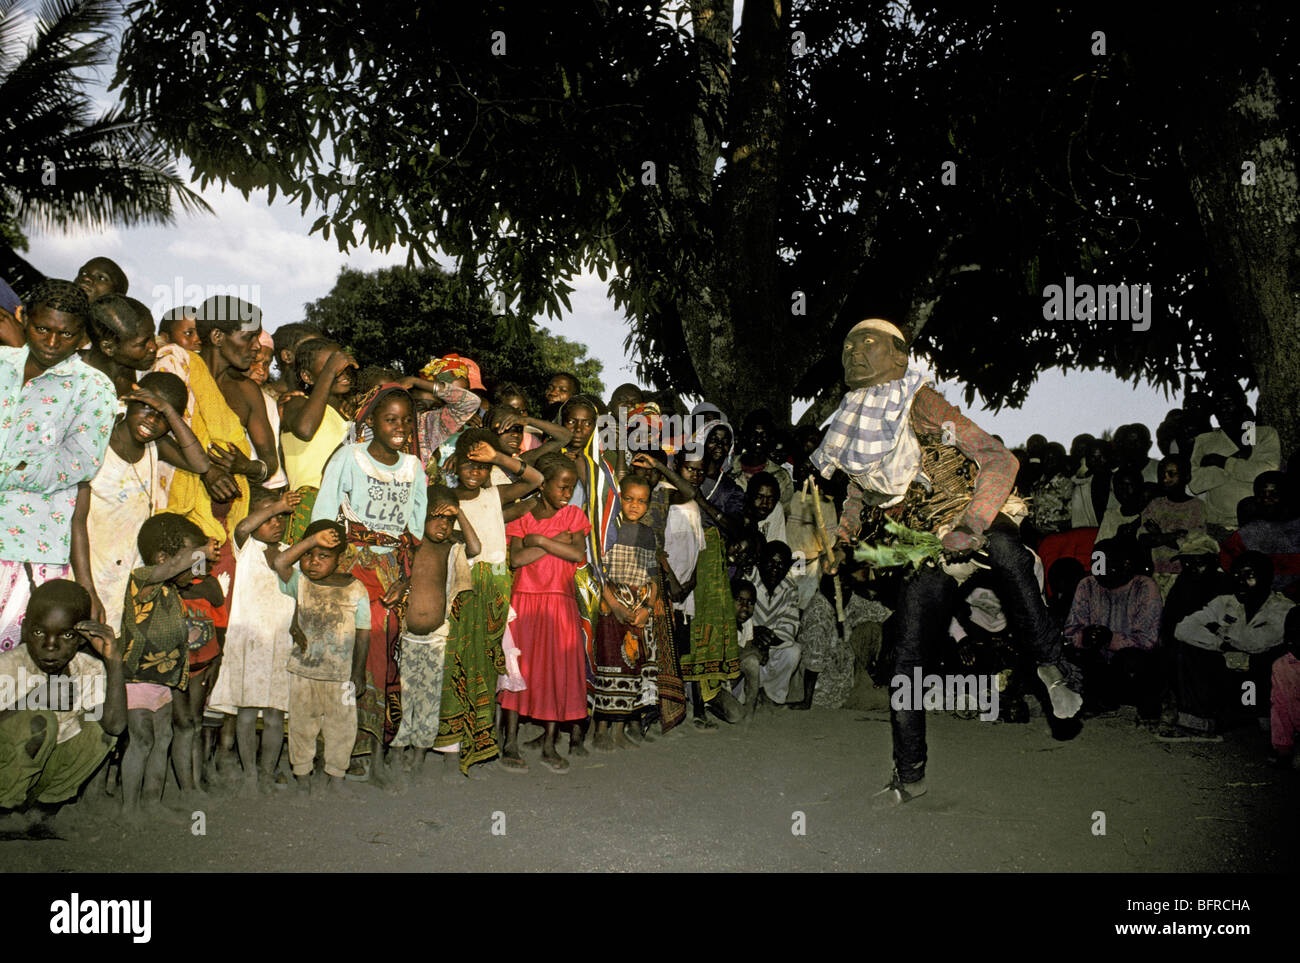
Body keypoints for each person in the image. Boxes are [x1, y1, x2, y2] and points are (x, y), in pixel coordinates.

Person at [812, 317, 1082, 806]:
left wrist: (973, 521)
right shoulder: (853, 424)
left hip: (972, 513)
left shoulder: (923, 403)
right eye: (848, 344)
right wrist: (844, 532)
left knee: (1004, 551)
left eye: (867, 342)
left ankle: (1050, 666)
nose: (853, 351)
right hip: (925, 543)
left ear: (898, 356)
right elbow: (860, 493)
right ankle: (909, 774)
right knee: (906, 658)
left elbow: (1000, 460)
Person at [311, 384, 427, 783]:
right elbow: (324, 515)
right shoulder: (350, 457)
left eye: (406, 420)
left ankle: (378, 747)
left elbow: (418, 532)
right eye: (390, 419)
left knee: (388, 657)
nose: (399, 427)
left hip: (392, 573)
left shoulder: (414, 468)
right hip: (352, 567)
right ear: (371, 421)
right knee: (347, 653)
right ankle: (342, 748)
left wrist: (408, 580)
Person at [0, 280, 116, 653]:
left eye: (66, 334)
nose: (52, 342)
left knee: (13, 667)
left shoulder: (93, 389)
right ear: (24, 319)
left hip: (31, 547)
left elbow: (71, 467)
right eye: (42, 329)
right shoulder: (2, 365)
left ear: (83, 337)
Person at [437, 428, 542, 776]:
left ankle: (480, 739)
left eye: (481, 466)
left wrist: (496, 457)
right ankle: (450, 744)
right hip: (462, 583)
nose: (475, 472)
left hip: (495, 584)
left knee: (485, 662)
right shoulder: (445, 496)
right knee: (456, 659)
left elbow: (536, 479)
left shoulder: (495, 494)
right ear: (455, 465)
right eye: (468, 464)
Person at [71, 373, 209, 630]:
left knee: (116, 642)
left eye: (163, 416)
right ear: (130, 400)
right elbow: (76, 521)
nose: (152, 420)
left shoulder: (156, 446)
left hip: (129, 568)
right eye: (147, 407)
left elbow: (200, 463)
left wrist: (169, 411)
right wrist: (86, 585)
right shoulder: (99, 443)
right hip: (89, 565)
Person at [0, 581, 122, 826]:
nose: (50, 645)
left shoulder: (88, 669)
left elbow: (116, 727)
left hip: (41, 779)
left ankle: (42, 812)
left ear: (82, 639)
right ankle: (4, 813)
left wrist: (114, 661)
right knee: (39, 720)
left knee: (100, 729)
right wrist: (33, 700)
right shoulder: (9, 666)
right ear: (24, 630)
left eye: (66, 635)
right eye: (39, 633)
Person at [500, 453, 591, 773]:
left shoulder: (574, 515)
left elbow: (578, 553)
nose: (567, 493)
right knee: (518, 671)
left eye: (571, 487)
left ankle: (550, 744)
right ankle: (509, 742)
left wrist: (538, 541)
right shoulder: (522, 516)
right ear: (543, 485)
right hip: (525, 601)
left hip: (560, 603)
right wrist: (551, 542)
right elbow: (516, 561)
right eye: (561, 486)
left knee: (556, 671)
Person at [207, 487, 302, 794]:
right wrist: (278, 504)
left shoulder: (292, 552)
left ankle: (266, 771)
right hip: (248, 643)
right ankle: (249, 773)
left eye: (280, 517)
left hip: (279, 644)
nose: (275, 522)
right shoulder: (245, 548)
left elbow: (298, 595)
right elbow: (242, 527)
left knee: (275, 715)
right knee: (246, 713)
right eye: (268, 516)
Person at [119, 513, 209, 816]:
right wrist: (203, 551)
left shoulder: (173, 593)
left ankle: (151, 803)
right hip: (137, 679)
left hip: (164, 682)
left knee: (163, 740)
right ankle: (129, 809)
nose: (196, 567)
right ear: (162, 558)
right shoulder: (142, 581)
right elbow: (168, 570)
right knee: (141, 740)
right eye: (190, 557)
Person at [272, 520, 371, 796]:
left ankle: (336, 776)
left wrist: (358, 672)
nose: (313, 562)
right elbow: (280, 562)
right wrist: (313, 539)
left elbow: (363, 633)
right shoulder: (299, 583)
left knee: (342, 727)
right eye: (307, 555)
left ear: (340, 559)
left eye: (323, 556)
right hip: (304, 671)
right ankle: (303, 776)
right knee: (302, 727)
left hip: (341, 676)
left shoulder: (356, 589)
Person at [1162, 551, 1297, 742]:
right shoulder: (1225, 602)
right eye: (1235, 576)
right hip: (1230, 669)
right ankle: (1200, 723)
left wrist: (1219, 630)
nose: (1240, 582)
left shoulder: (1284, 609)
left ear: (1267, 578)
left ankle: (1257, 720)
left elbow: (1256, 643)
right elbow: (1183, 628)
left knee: (1264, 661)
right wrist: (1222, 646)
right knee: (1184, 651)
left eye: (1248, 576)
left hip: (1259, 680)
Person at [391, 485, 478, 778]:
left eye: (448, 520)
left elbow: (476, 548)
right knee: (403, 696)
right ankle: (397, 748)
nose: (443, 525)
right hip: (404, 637)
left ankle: (419, 752)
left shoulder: (450, 549)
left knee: (428, 698)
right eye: (435, 517)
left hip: (436, 637)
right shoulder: (411, 547)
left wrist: (460, 513)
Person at [590, 473, 660, 750]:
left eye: (641, 501)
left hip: (638, 609)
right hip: (611, 607)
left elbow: (654, 577)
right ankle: (600, 729)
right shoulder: (607, 529)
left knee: (632, 668)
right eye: (628, 499)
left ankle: (619, 730)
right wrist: (614, 604)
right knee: (607, 666)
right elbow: (597, 572)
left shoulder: (648, 534)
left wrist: (648, 608)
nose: (634, 505)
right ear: (618, 499)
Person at [1064, 538, 1163, 722]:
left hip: (1132, 658)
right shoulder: (1087, 584)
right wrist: (1084, 637)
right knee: (1075, 654)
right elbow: (1071, 630)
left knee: (1132, 660)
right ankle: (1098, 701)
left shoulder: (1144, 586)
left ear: (1125, 564)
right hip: (1098, 657)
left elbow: (1148, 639)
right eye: (1096, 564)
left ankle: (1144, 704)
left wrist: (1110, 638)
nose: (1098, 571)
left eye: (1105, 565)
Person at [280, 338, 358, 540]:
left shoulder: (348, 415)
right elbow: (305, 429)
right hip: (309, 507)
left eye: (343, 367)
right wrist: (329, 372)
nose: (342, 373)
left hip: (344, 510)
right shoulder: (295, 403)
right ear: (307, 376)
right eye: (331, 367)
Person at [1189, 391, 1281, 539]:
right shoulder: (1205, 440)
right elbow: (1196, 483)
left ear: (1242, 402)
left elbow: (1265, 473)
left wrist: (1221, 462)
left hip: (1260, 525)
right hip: (1218, 527)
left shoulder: (1264, 434)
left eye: (1228, 403)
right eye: (1218, 405)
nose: (1222, 409)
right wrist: (1237, 459)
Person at [1219, 471, 1300, 601]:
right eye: (1261, 494)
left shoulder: (1296, 529)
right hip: (1253, 592)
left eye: (1274, 494)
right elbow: (1227, 556)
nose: (1266, 499)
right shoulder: (1251, 530)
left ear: (1286, 496)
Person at [1139, 454, 1206, 599]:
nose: (1165, 478)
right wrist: (1175, 536)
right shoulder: (1155, 504)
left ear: (1187, 477)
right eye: (1161, 474)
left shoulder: (1196, 507)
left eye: (1171, 474)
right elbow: (1144, 539)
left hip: (1184, 576)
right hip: (1156, 573)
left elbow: (1190, 547)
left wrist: (1159, 534)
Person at [744, 540, 802, 707]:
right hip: (746, 644)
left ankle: (772, 695)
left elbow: (790, 626)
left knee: (793, 651)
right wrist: (754, 634)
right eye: (771, 562)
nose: (776, 568)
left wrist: (767, 641)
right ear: (760, 561)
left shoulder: (789, 587)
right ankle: (748, 694)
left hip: (771, 644)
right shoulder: (748, 578)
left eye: (781, 564)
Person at [81, 296, 158, 397]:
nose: (154, 347)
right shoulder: (75, 381)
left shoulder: (147, 376)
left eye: (152, 336)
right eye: (142, 344)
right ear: (108, 348)